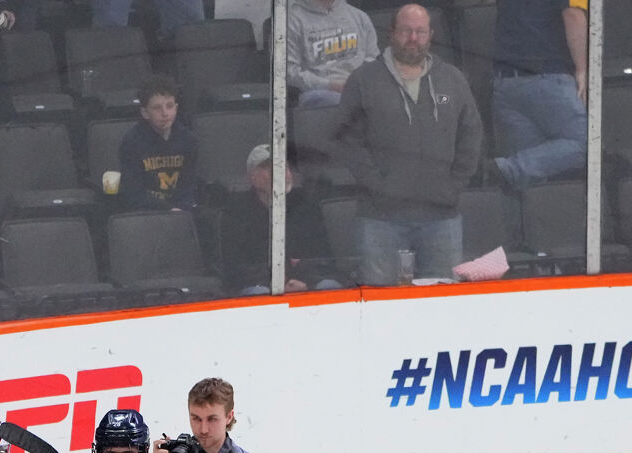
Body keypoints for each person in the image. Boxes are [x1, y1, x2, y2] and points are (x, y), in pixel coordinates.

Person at [333, 3, 482, 286]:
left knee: (442, 304)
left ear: (431, 35)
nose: (413, 38)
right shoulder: (363, 80)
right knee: (379, 305)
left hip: (441, 217)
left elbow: (471, 134)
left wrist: (452, 186)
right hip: (379, 219)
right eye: (405, 31)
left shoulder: (453, 79)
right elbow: (348, 142)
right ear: (392, 33)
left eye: (420, 31)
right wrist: (380, 186)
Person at [488, 0, 587, 188]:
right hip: (547, 78)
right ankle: (507, 168)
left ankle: (506, 171)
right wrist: (582, 68)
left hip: (506, 83)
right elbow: (573, 15)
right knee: (589, 144)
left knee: (531, 184)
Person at [219, 145, 333, 293]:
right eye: (271, 168)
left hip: (306, 282)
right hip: (259, 286)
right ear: (253, 177)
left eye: (284, 167)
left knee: (329, 286)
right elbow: (236, 268)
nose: (281, 174)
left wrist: (307, 282)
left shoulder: (306, 208)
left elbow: (323, 256)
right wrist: (276, 283)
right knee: (257, 293)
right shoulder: (236, 213)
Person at [118, 76, 200, 213]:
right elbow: (133, 192)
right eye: (157, 108)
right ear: (145, 112)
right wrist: (167, 209)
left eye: (169, 106)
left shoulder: (188, 140)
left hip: (181, 211)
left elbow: (188, 185)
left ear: (176, 108)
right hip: (146, 212)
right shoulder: (131, 142)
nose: (165, 113)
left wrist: (180, 208)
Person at [287, 0, 377, 107]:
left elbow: (372, 60)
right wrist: (329, 86)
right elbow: (290, 72)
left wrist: (356, 84)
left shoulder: (360, 17)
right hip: (317, 95)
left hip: (359, 90)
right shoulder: (291, 21)